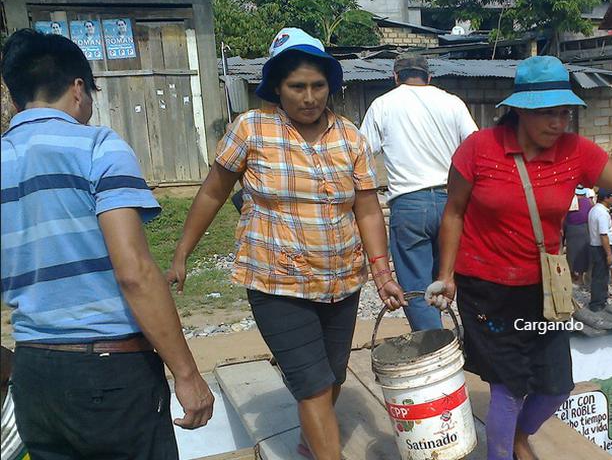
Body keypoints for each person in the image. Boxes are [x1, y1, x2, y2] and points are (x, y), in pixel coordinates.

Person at [424, 56, 612, 460]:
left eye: (565, 112)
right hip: (486, 290)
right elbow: (454, 212)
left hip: (543, 291)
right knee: (508, 385)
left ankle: (518, 436)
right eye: (547, 113)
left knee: (555, 386)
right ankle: (506, 450)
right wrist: (446, 274)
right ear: (519, 110)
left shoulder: (576, 152)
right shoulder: (479, 149)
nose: (558, 123)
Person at [166, 28, 406, 460]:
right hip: (276, 282)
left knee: (333, 377)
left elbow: (368, 210)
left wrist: (383, 273)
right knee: (312, 383)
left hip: (342, 281)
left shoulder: (349, 136)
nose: (309, 96)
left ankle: (311, 442)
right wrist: (183, 251)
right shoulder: (252, 129)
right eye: (298, 86)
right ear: (278, 87)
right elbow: (212, 192)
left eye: (318, 86)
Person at [1, 29, 214, 458]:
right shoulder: (97, 146)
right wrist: (187, 375)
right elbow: (134, 272)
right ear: (78, 88)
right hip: (110, 372)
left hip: (33, 375)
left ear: (15, 95)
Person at [359, 54, 477, 331]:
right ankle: (467, 345)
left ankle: (435, 351)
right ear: (429, 77)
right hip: (453, 204)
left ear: (395, 77)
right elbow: (475, 147)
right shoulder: (452, 102)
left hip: (409, 204)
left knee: (416, 287)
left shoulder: (383, 105)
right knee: (451, 281)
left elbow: (361, 153)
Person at [589, 189, 612, 310]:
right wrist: (608, 254)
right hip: (601, 247)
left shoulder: (596, 210)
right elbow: (603, 235)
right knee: (600, 276)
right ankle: (597, 303)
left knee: (601, 274)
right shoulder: (601, 213)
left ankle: (602, 298)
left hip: (598, 246)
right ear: (606, 198)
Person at [563, 185, 594, 284]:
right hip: (585, 229)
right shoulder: (588, 202)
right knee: (583, 253)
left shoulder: (570, 200)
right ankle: (580, 277)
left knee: (571, 253)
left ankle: (572, 275)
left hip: (571, 229)